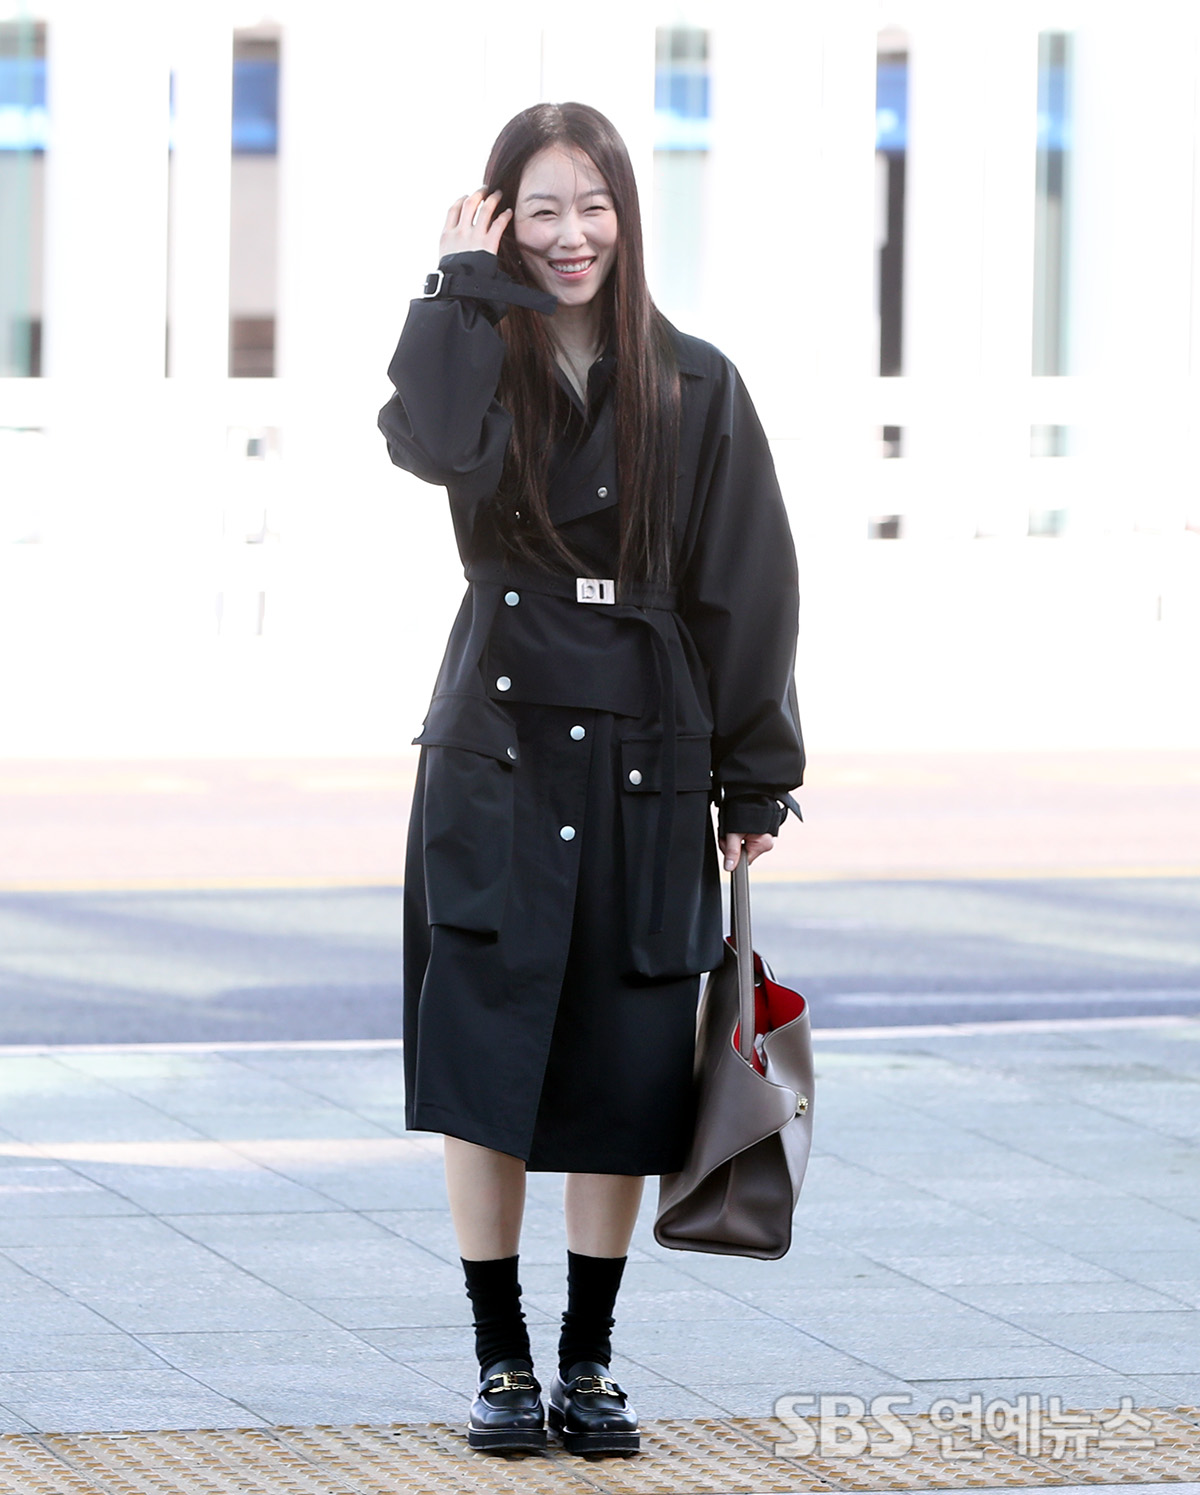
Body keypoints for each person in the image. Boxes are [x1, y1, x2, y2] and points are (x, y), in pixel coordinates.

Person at [378, 101, 803, 1457]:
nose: (573, 237)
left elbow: (749, 589)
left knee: (626, 1062)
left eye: (595, 206)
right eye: (542, 210)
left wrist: (755, 779)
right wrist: (455, 285)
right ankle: (501, 1360)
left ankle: (589, 1362)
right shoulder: (475, 358)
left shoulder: (697, 383)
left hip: (646, 748)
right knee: (484, 1044)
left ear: (629, 214)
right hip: (495, 746)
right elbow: (428, 448)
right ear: (505, 215)